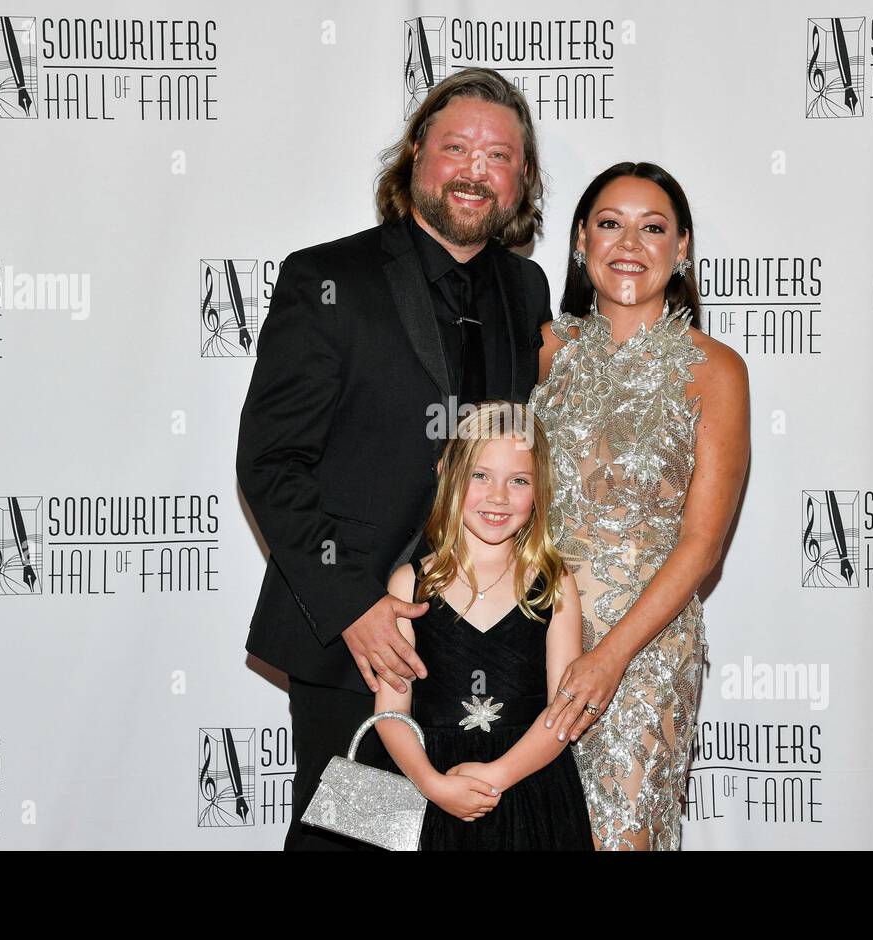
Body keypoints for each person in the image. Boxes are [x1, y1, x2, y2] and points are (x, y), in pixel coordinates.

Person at [235, 68, 552, 850]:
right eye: (457, 148)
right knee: (360, 844)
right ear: (415, 155)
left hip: (488, 648)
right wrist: (353, 607)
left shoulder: (526, 289)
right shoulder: (328, 278)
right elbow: (271, 461)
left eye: (500, 156)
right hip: (362, 645)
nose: (477, 170)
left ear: (522, 179)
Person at [530, 163, 751, 850]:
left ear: (681, 247)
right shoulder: (540, 352)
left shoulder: (715, 369)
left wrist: (610, 658)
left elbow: (702, 544)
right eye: (610, 223)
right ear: (578, 240)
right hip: (531, 637)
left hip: (646, 650)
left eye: (653, 227)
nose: (631, 242)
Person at [375, 401, 593, 850]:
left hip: (532, 790)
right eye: (480, 476)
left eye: (518, 481)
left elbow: (562, 713)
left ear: (539, 492)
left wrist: (497, 776)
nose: (498, 496)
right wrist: (433, 784)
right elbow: (390, 712)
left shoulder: (555, 584)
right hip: (429, 792)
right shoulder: (410, 584)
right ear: (450, 477)